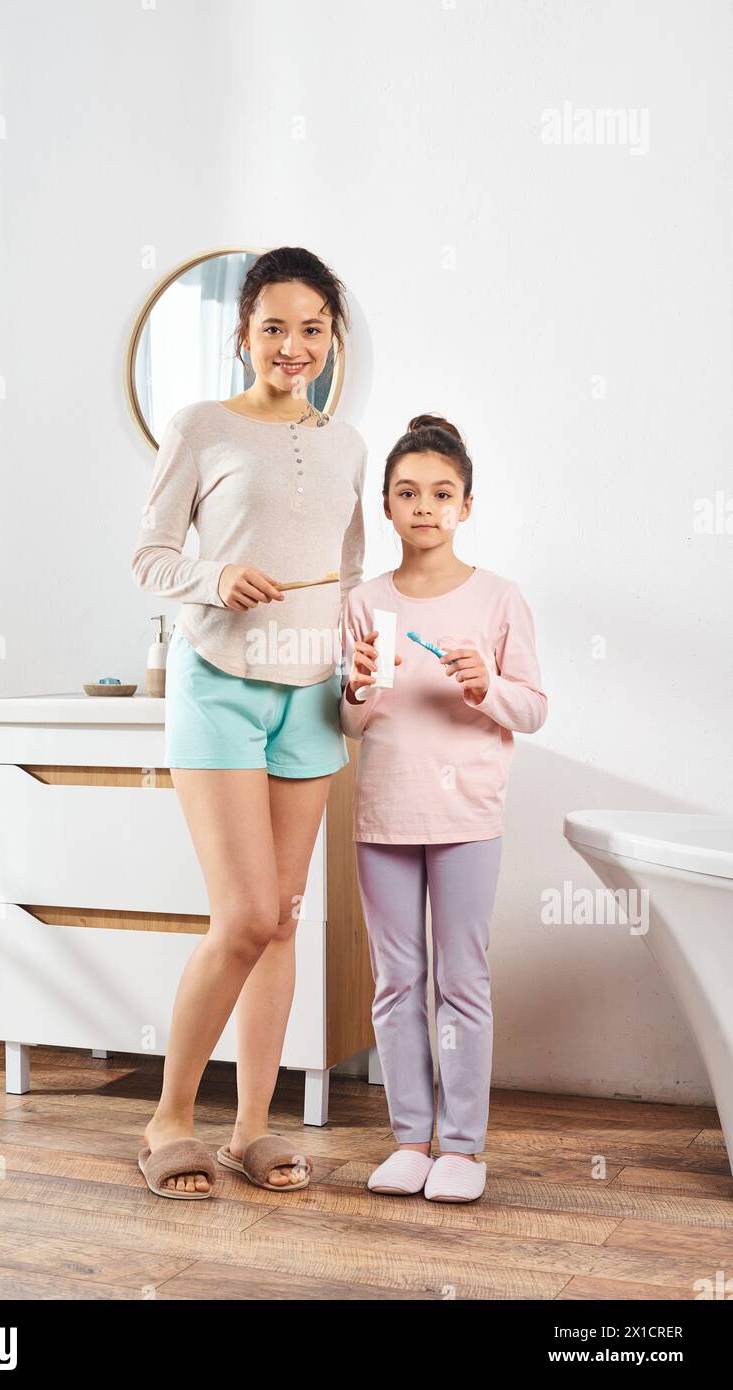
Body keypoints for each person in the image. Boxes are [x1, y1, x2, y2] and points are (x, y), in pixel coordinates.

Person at [131, 247, 367, 1198]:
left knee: (283, 921)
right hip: (218, 682)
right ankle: (166, 1121)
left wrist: (363, 664)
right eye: (274, 326)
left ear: (330, 338)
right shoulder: (200, 426)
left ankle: (252, 1129)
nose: (292, 345)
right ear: (243, 334)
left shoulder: (348, 445)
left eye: (311, 328)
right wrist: (215, 575)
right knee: (244, 915)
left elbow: (349, 577)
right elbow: (150, 557)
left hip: (311, 693)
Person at [339, 413, 548, 1203]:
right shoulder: (363, 602)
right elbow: (350, 722)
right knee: (396, 981)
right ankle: (408, 1141)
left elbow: (532, 709)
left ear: (465, 505)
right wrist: (358, 686)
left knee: (461, 980)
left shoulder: (499, 598)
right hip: (383, 816)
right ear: (385, 507)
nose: (423, 506)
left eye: (439, 492)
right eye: (406, 493)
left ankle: (460, 1147)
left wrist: (485, 688)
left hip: (467, 820)